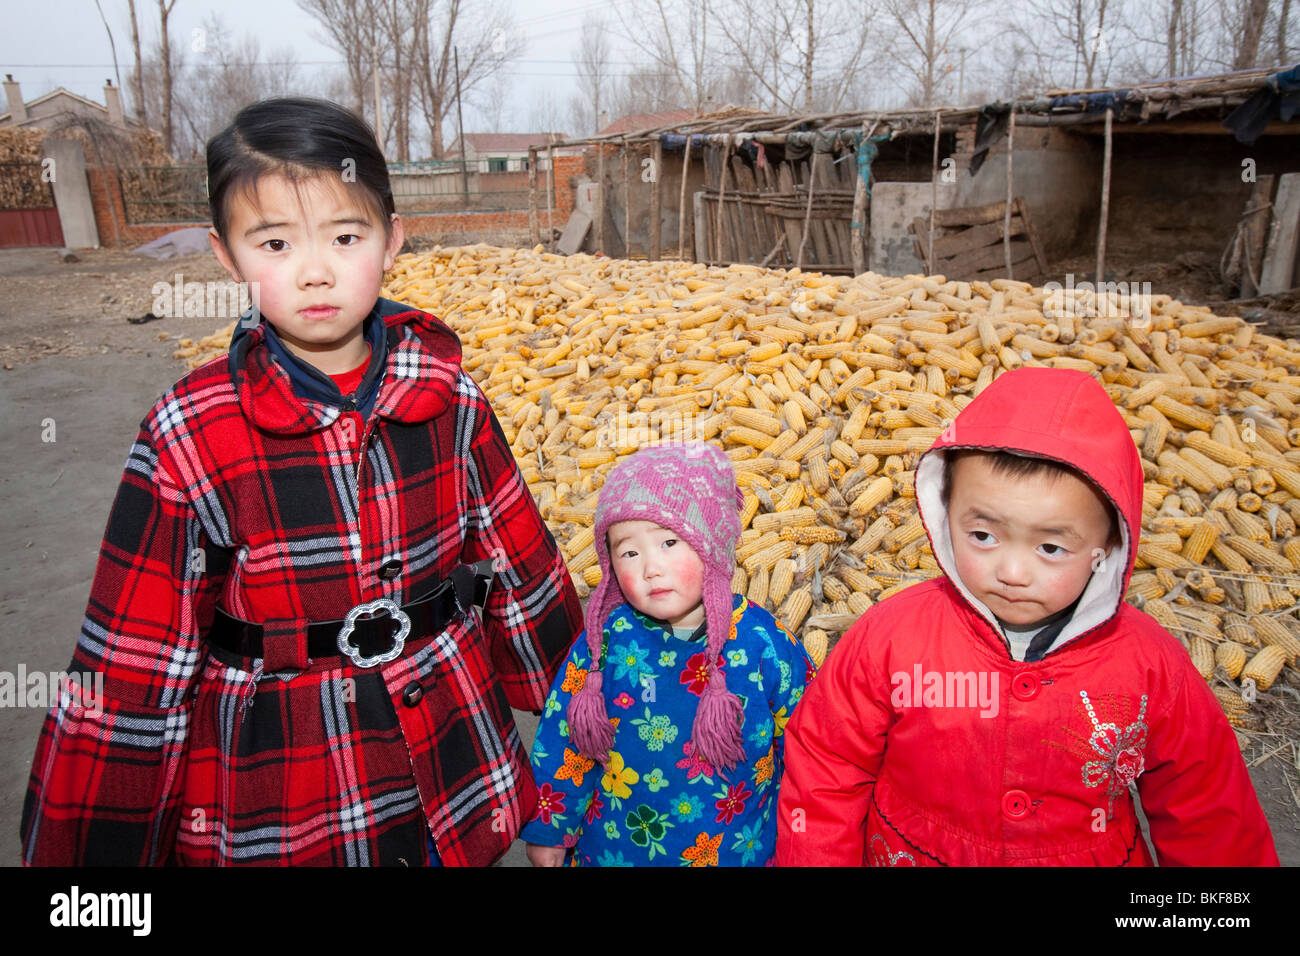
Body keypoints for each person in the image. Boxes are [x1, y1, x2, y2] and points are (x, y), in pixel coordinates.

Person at [19, 97, 583, 866]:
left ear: (392, 242)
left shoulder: (452, 400)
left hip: (444, 759)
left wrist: (582, 749)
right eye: (275, 242)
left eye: (346, 236)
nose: (315, 271)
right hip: (287, 777)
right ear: (226, 257)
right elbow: (134, 664)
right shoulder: (192, 432)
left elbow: (525, 576)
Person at [776, 367, 1279, 866]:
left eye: (1052, 546)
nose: (1012, 572)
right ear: (943, 514)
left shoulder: (1152, 665)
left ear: (1109, 546)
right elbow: (827, 767)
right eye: (983, 536)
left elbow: (1210, 812)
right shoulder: (888, 638)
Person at [520, 442, 814, 866]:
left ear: (712, 545)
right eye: (629, 552)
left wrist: (809, 830)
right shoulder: (603, 646)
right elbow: (566, 742)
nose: (650, 567)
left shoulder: (763, 644)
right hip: (619, 849)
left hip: (736, 849)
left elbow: (812, 742)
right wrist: (551, 828)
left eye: (670, 542)